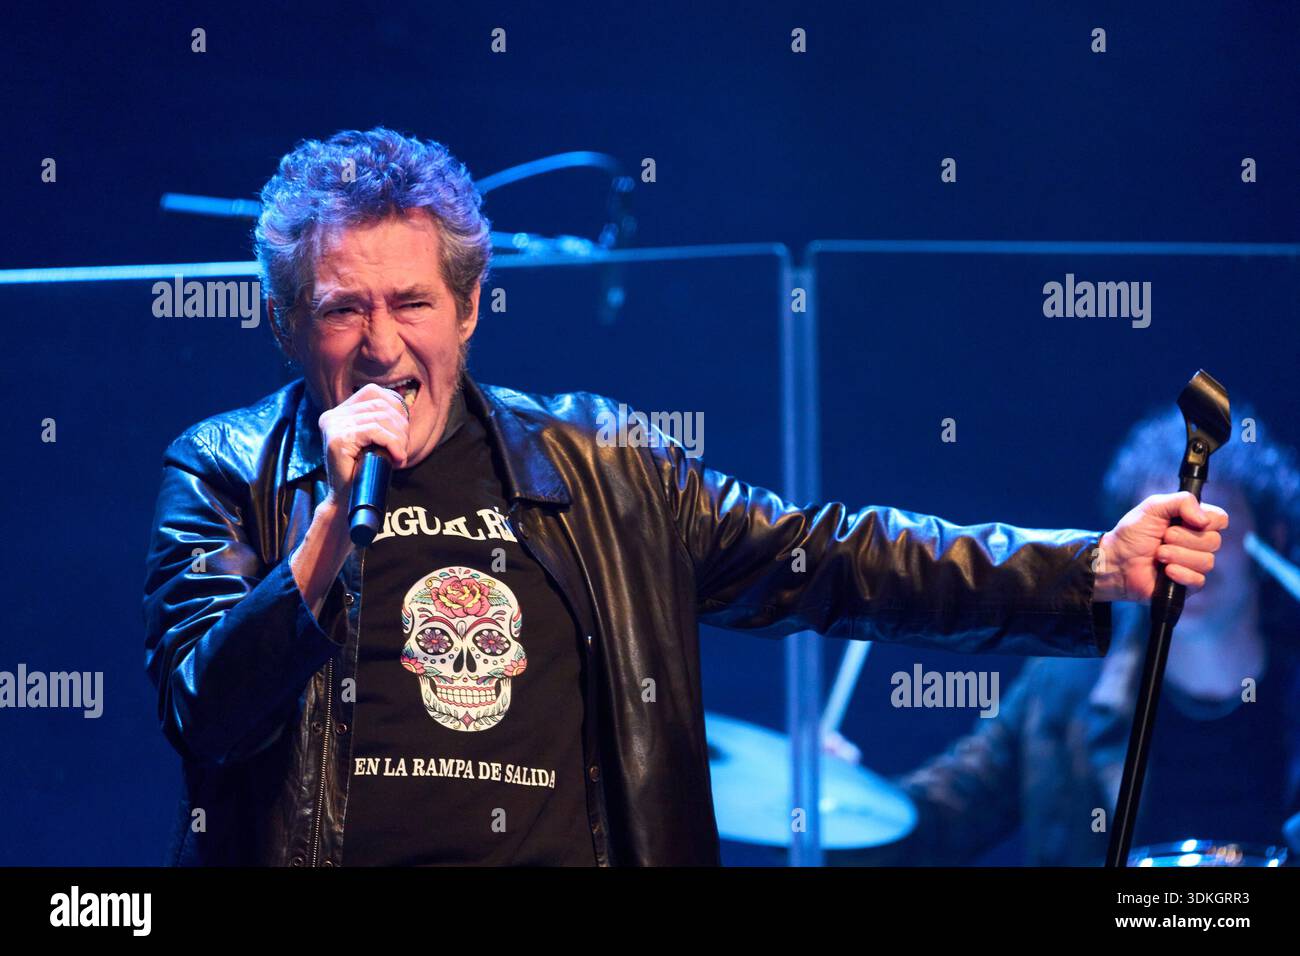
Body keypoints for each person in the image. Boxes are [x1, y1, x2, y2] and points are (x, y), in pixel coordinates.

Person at [141, 127, 1227, 867]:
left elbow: (832, 553)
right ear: (287, 324)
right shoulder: (228, 467)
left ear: (469, 308)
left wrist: (1079, 565)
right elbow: (205, 710)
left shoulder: (607, 465)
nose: (382, 344)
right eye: (342, 309)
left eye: (411, 300)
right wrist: (329, 528)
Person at [885, 402, 1299, 866]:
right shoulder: (1065, 685)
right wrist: (840, 798)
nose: (1181, 556)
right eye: (1167, 528)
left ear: (1274, 536)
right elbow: (942, 818)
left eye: (1206, 525)